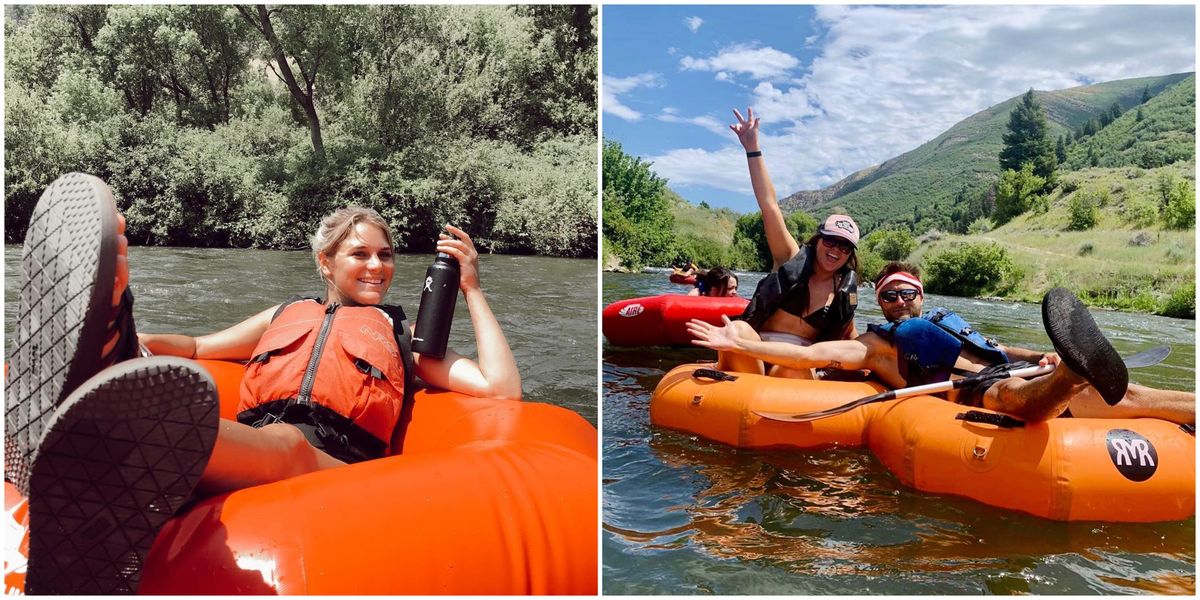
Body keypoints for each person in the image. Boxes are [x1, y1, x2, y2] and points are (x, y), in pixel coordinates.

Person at [5, 173, 521, 593]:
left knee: (289, 446)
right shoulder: (286, 312)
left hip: (334, 466)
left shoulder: (403, 335)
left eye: (384, 255)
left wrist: (473, 289)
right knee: (270, 439)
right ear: (326, 262)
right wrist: (136, 342)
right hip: (253, 442)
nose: (377, 266)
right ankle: (104, 356)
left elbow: (500, 386)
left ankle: (114, 423)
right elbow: (200, 348)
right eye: (360, 254)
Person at [688, 262, 1195, 425]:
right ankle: (1070, 374)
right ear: (879, 304)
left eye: (907, 292)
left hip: (1010, 370)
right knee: (1014, 402)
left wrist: (1034, 354)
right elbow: (807, 354)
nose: (899, 301)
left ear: (921, 295)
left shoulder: (947, 321)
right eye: (889, 296)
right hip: (971, 394)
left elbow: (994, 347)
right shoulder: (875, 344)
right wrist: (747, 348)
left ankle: (1070, 369)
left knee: (1132, 397)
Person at [721, 107, 861, 379]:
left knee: (793, 367)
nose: (836, 250)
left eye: (845, 247)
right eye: (831, 241)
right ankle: (742, 398)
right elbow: (769, 206)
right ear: (818, 240)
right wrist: (752, 148)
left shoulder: (844, 293)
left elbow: (851, 338)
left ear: (850, 255)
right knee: (737, 329)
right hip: (754, 354)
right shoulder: (789, 257)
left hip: (795, 367)